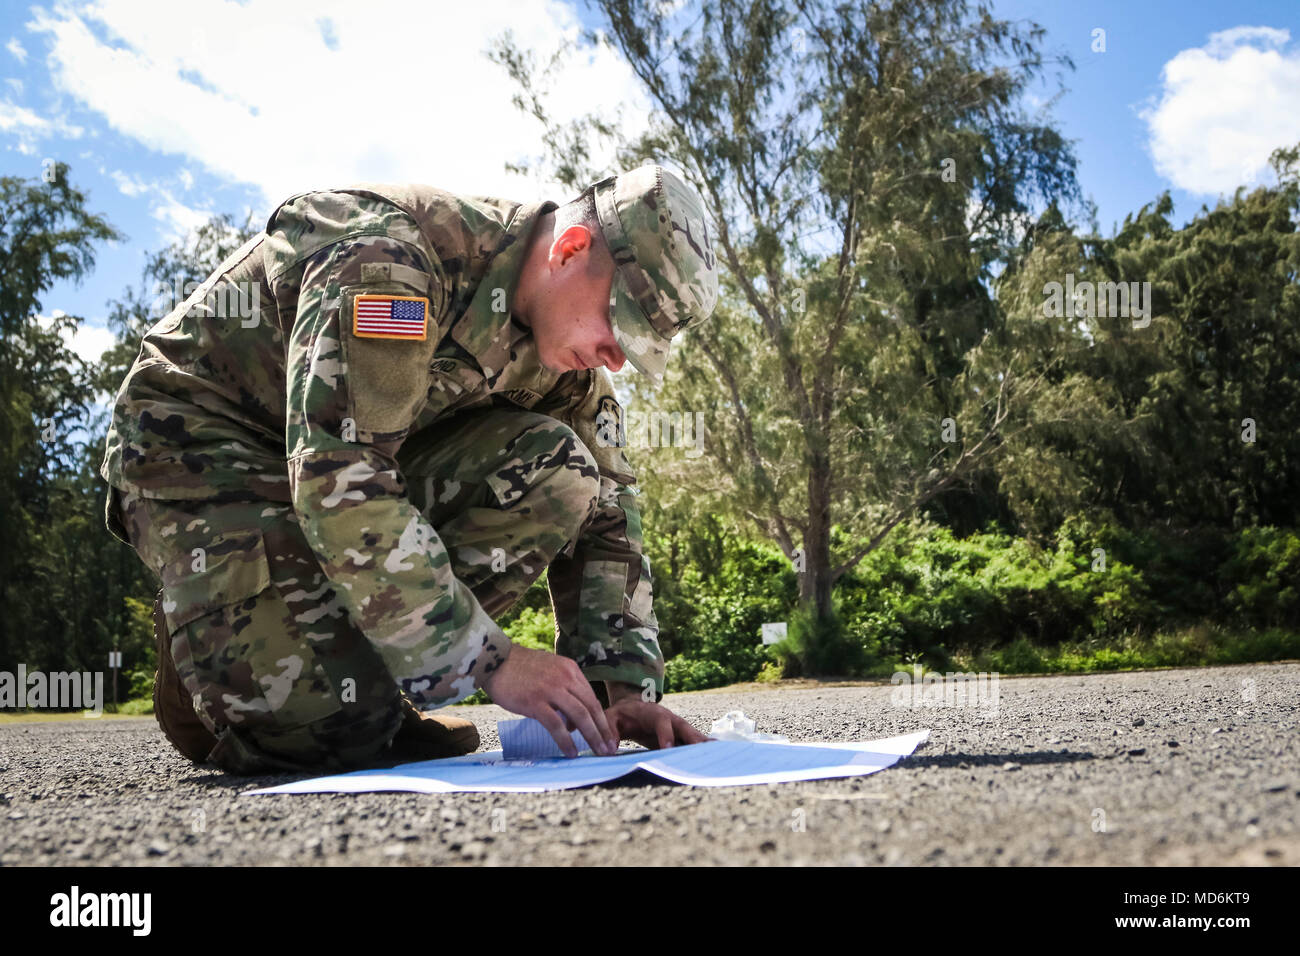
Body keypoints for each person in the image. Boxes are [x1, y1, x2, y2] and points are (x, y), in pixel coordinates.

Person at [99, 163, 718, 774]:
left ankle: (356, 687)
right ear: (571, 249)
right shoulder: (388, 263)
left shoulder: (565, 358)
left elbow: (611, 508)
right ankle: (212, 661)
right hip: (207, 442)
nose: (616, 354)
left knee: (564, 469)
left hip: (337, 464)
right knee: (321, 739)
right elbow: (341, 474)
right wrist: (493, 661)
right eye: (619, 322)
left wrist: (623, 690)